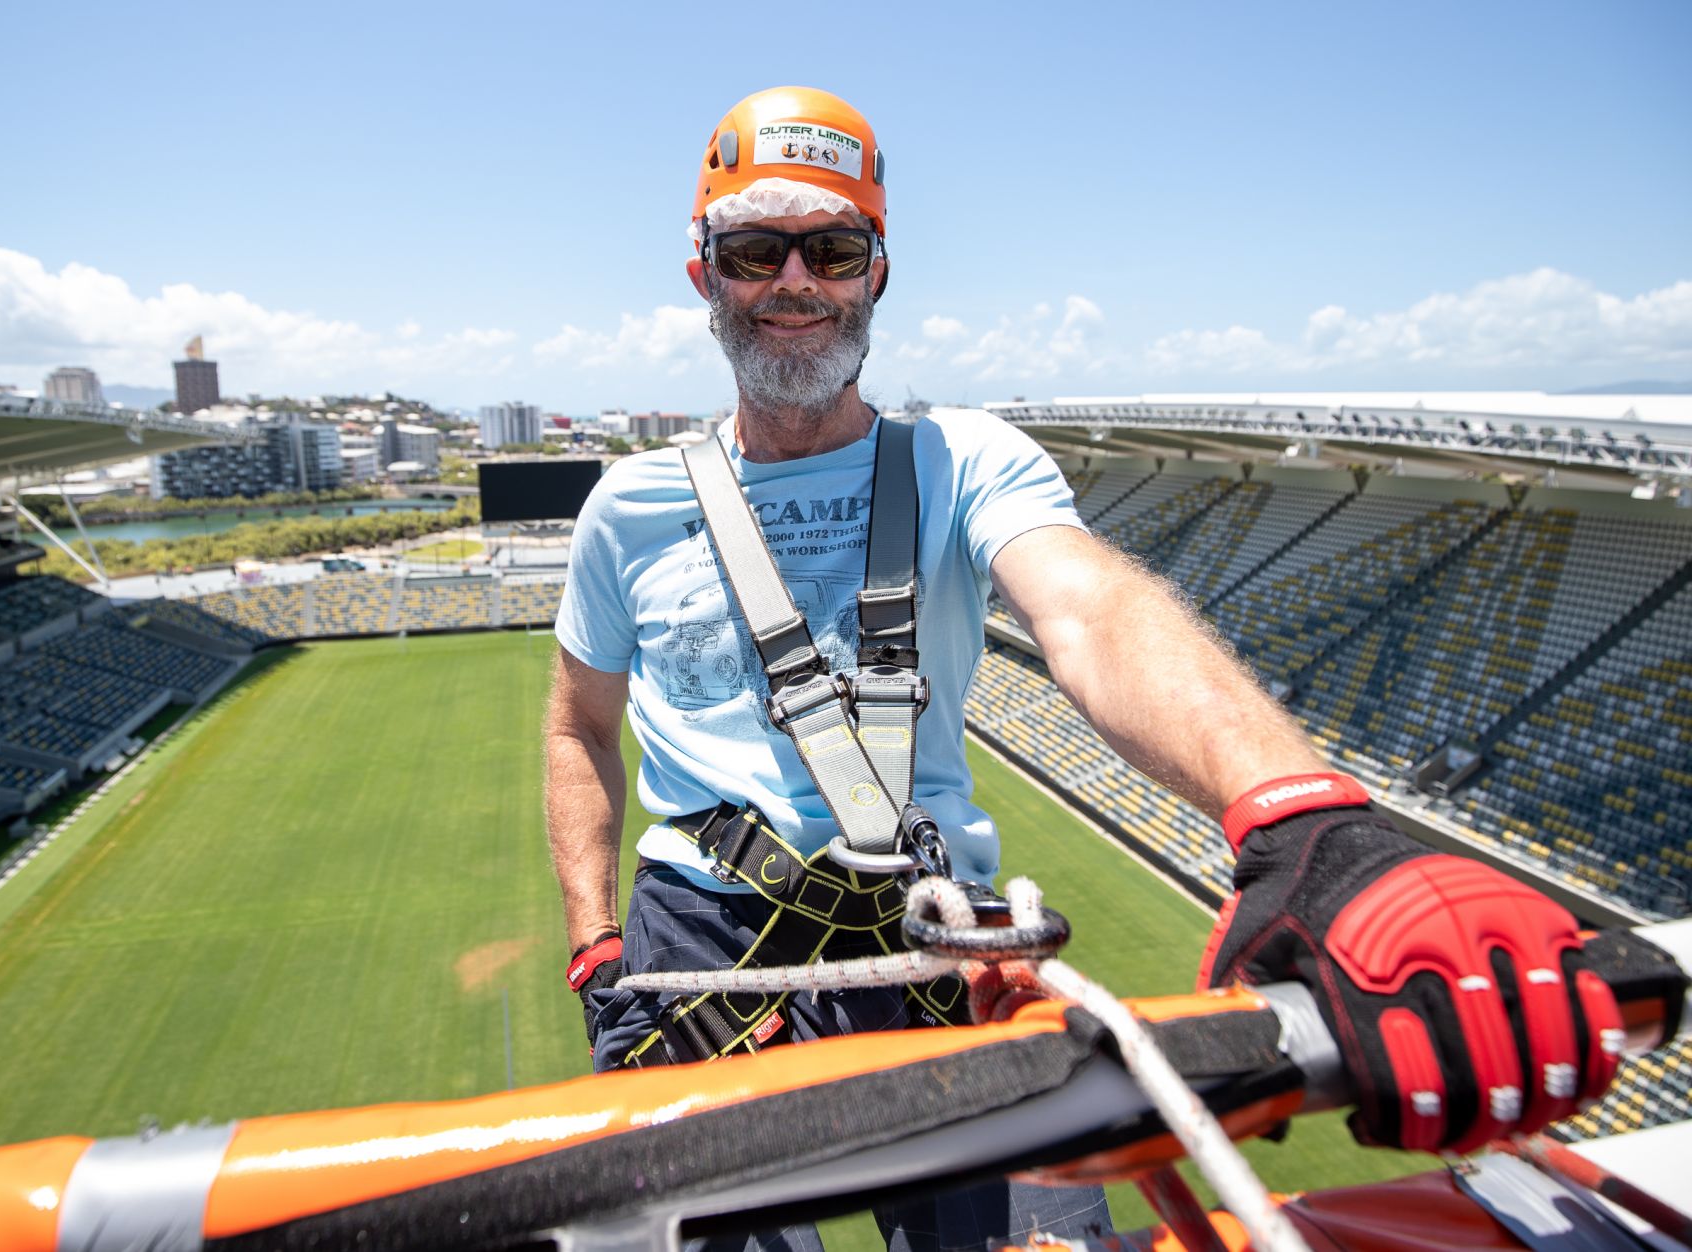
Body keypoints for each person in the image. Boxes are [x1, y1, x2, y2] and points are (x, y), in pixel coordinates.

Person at [545, 87, 1624, 1251]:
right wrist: (595, 937)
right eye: (756, 249)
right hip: (700, 944)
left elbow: (1093, 610)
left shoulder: (963, 462)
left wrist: (1304, 818)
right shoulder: (631, 507)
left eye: (833, 246)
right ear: (704, 275)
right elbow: (576, 728)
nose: (794, 281)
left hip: (935, 935)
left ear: (876, 275)